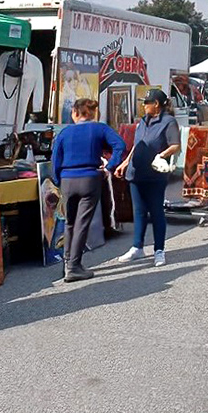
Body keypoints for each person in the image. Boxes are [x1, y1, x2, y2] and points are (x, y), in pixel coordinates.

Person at [51, 98, 126, 282]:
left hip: (67, 179)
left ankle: (68, 263)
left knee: (69, 223)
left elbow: (55, 159)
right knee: (82, 223)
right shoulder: (99, 128)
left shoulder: (64, 132)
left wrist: (58, 179)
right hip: (89, 178)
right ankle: (74, 266)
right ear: (92, 113)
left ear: (75, 112)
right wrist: (110, 166)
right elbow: (120, 145)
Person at [115, 88, 181, 267]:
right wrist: (125, 163)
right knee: (139, 211)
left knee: (156, 211)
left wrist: (161, 155)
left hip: (155, 175)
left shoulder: (168, 122)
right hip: (136, 173)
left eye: (146, 103)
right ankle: (137, 247)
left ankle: (159, 250)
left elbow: (175, 145)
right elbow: (137, 145)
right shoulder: (142, 121)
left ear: (156, 105)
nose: (143, 106)